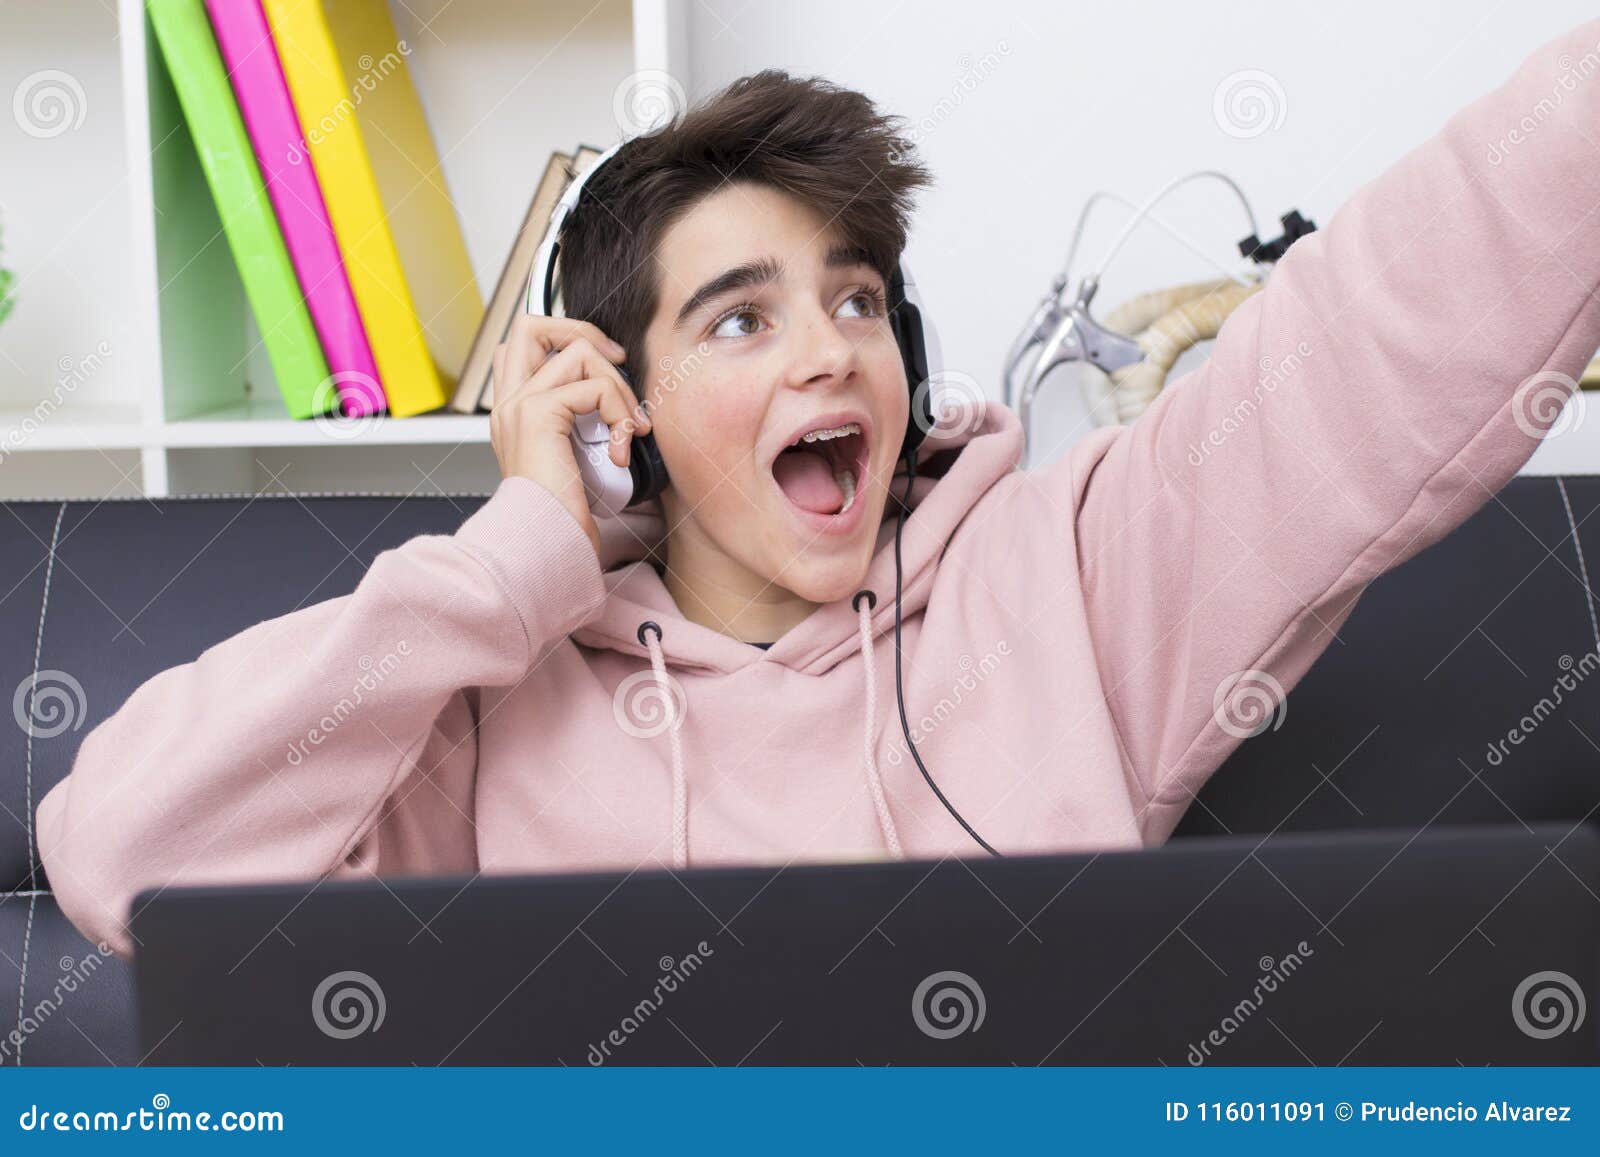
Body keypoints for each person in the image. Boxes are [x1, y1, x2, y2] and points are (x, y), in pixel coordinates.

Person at [37, 19, 1600, 960]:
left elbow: (1373, 332)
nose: (833, 355)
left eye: (859, 304)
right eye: (741, 317)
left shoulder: (1077, 580)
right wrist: (519, 556)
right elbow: (118, 853)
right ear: (619, 399)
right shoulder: (477, 714)